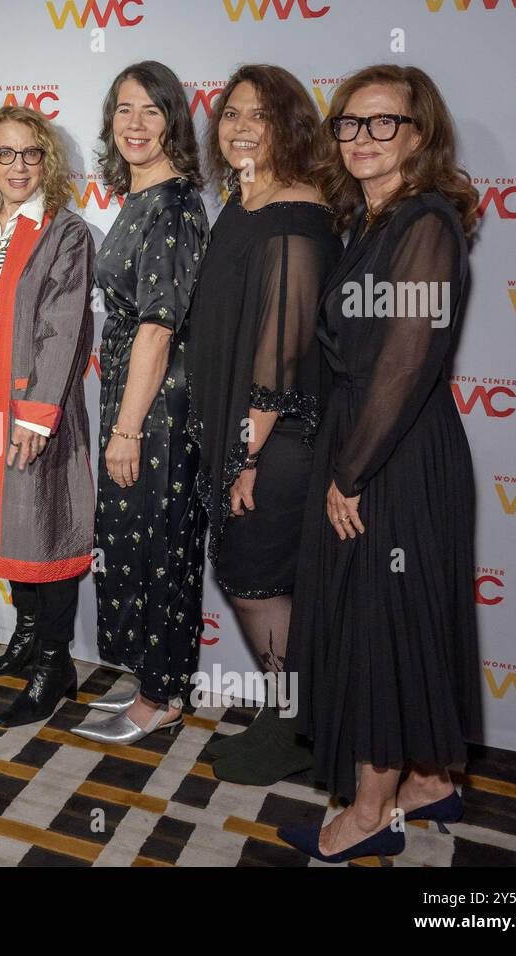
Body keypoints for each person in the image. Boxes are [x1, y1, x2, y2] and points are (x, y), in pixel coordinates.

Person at [276, 64, 482, 864]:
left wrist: (351, 472)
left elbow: (403, 363)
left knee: (377, 626)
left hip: (395, 453)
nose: (362, 137)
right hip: (369, 439)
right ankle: (429, 782)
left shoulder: (425, 222)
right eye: (350, 123)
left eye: (383, 122)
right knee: (400, 618)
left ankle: (370, 816)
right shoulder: (372, 220)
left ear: (420, 133)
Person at [184, 65, 341, 783]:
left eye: (261, 115)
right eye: (231, 113)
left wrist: (244, 458)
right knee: (252, 575)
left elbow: (279, 359)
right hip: (245, 433)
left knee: (255, 578)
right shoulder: (244, 204)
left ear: (291, 128)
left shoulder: (295, 218)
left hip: (275, 440)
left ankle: (294, 727)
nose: (241, 127)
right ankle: (291, 715)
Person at [72, 62, 209, 745]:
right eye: (124, 109)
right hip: (137, 393)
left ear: (173, 122)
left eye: (151, 111)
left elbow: (159, 325)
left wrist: (127, 429)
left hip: (158, 404)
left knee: (162, 542)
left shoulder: (175, 205)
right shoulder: (142, 197)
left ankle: (161, 697)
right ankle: (155, 678)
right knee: (137, 539)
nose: (134, 124)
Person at [0, 106, 96, 727]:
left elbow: (63, 328)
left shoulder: (65, 233)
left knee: (43, 534)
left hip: (33, 416)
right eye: (5, 153)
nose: (18, 166)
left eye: (31, 153)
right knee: (8, 533)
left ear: (47, 161)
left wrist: (35, 417)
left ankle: (54, 665)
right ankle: (26, 640)